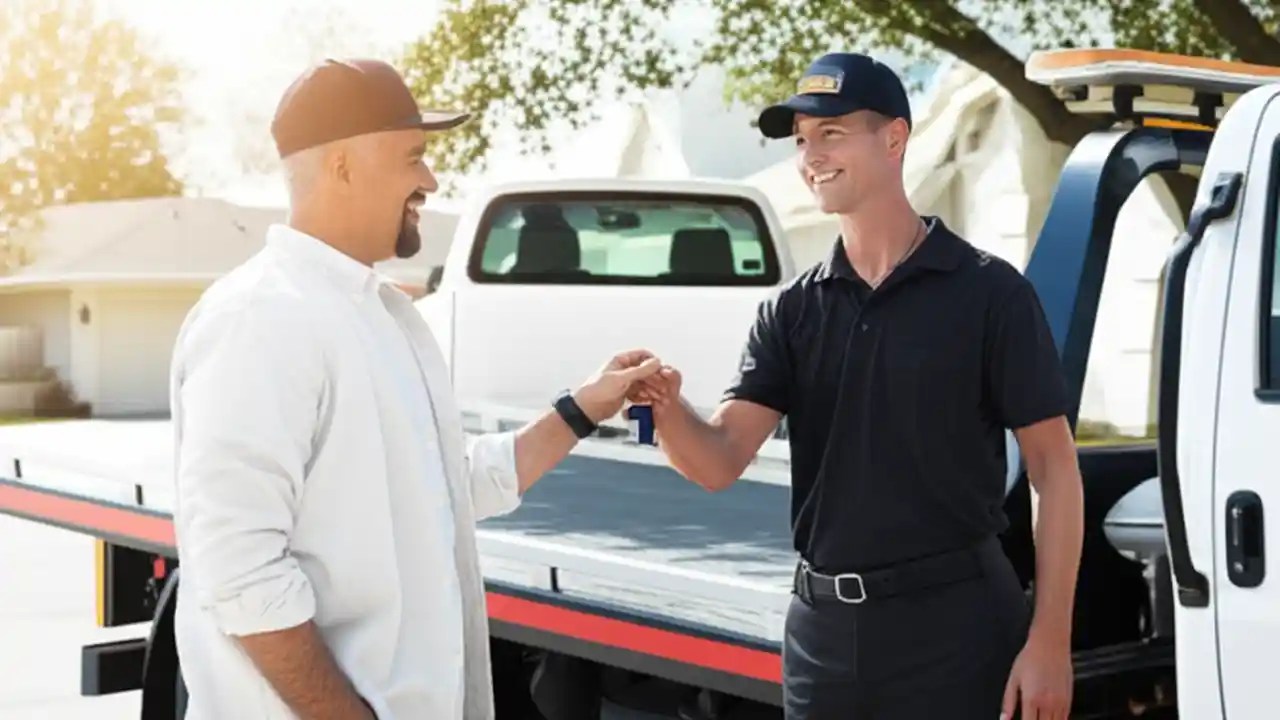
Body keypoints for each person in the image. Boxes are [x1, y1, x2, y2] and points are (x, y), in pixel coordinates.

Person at [168, 57, 662, 720]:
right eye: (413, 157)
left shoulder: (380, 314)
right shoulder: (261, 317)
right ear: (343, 166)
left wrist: (583, 408)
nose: (429, 179)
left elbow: (448, 486)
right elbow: (239, 569)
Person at [630, 52, 1084, 720]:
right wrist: (667, 410)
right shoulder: (792, 311)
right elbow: (720, 459)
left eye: (831, 134)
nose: (811, 155)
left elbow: (1054, 469)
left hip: (958, 629)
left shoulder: (990, 294)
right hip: (824, 641)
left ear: (894, 138)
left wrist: (1050, 643)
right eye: (802, 141)